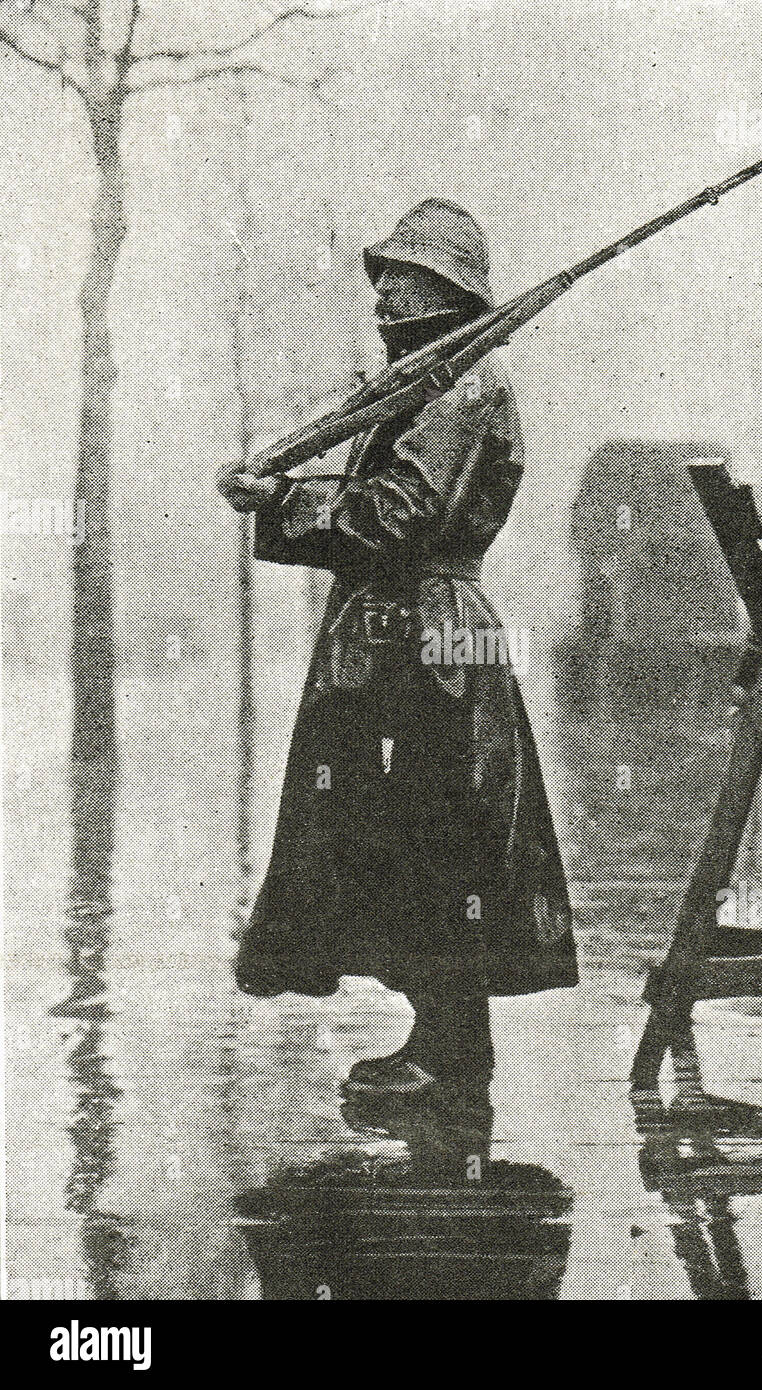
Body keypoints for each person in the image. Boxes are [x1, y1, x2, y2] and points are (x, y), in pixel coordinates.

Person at [217, 199, 577, 1095]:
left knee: (438, 837)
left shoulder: (463, 385)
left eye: (406, 280)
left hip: (430, 642)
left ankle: (453, 1052)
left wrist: (282, 505)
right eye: (382, 280)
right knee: (396, 833)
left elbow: (401, 516)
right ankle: (441, 1040)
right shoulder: (425, 383)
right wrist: (283, 491)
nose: (384, 298)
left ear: (450, 291)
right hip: (393, 638)